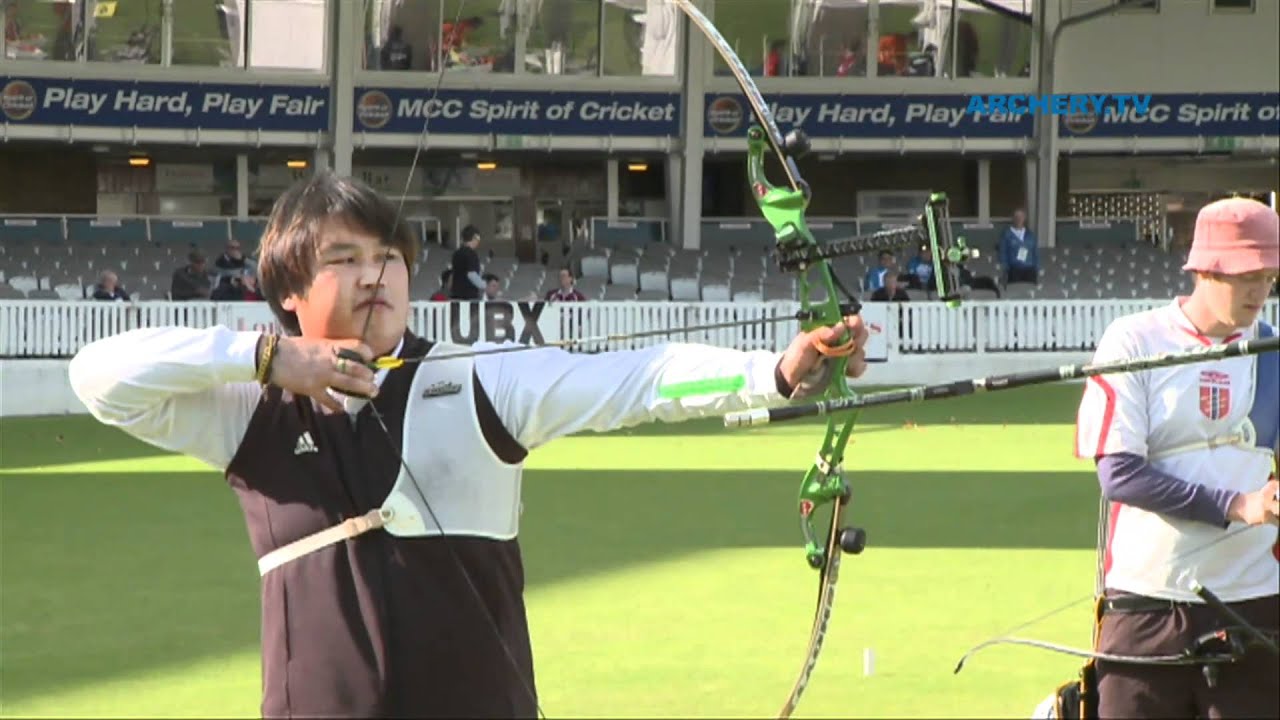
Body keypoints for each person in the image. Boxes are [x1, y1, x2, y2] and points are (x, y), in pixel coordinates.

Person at [67, 171, 871, 719]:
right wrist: (272, 359)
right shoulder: (252, 408)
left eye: (389, 257)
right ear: (288, 292)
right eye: (343, 259)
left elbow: (637, 381)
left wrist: (775, 371)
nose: (375, 276)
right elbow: (97, 376)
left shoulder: (483, 381)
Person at [1073, 197, 1279, 719]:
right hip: (1147, 604)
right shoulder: (1135, 340)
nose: (1260, 291)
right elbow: (1119, 475)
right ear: (1205, 270)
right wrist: (1237, 504)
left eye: (1269, 276)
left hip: (1254, 607)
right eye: (1247, 276)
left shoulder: (1274, 353)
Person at [999, 208, 1039, 285]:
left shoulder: (1030, 235)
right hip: (1014, 269)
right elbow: (1003, 252)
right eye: (1016, 216)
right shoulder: (1006, 235)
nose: (1019, 219)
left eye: (1021, 216)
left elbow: (1036, 252)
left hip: (1029, 269)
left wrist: (1036, 268)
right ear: (1013, 218)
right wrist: (1005, 268)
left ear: (1024, 218)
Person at [449, 225, 484, 300]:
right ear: (474, 237)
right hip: (469, 295)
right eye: (478, 239)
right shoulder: (471, 254)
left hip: (456, 294)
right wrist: (484, 285)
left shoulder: (456, 253)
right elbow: (471, 274)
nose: (478, 242)